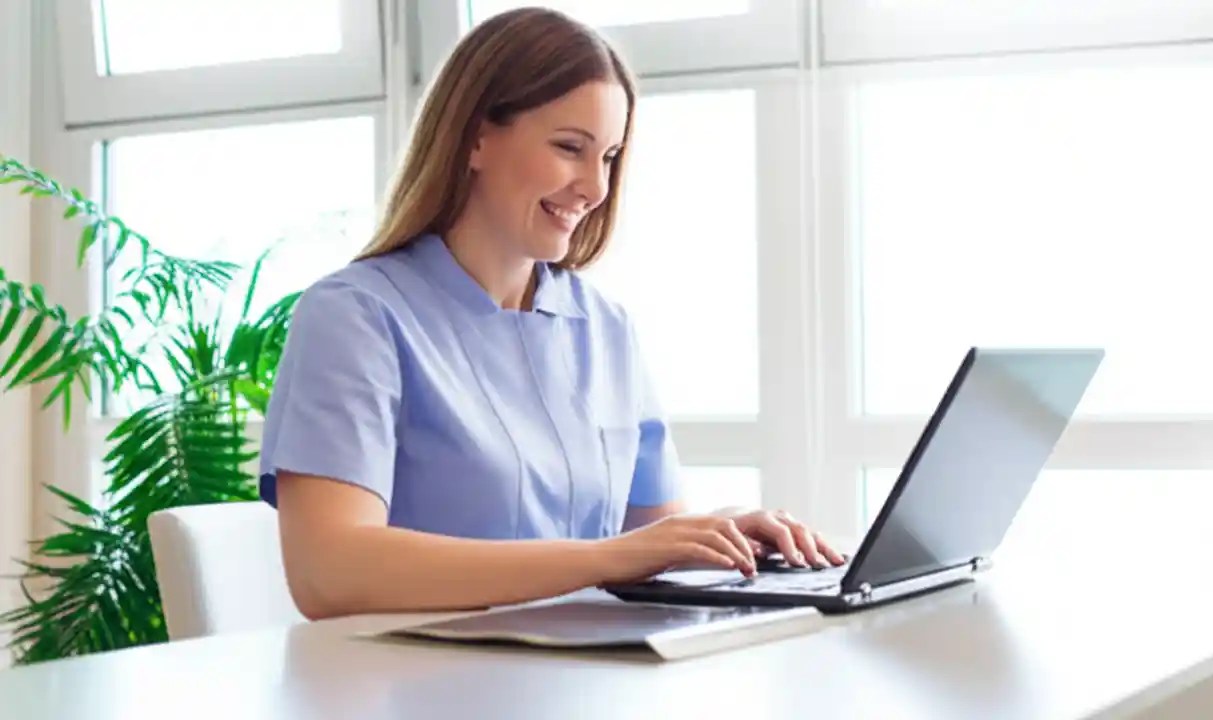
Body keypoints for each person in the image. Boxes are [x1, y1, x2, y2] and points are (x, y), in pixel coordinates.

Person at [258, 7, 845, 620]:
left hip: (589, 679)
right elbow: (330, 572)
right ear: (476, 137)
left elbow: (650, 537)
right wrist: (604, 558)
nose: (595, 187)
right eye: (571, 148)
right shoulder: (356, 317)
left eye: (610, 157)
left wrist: (719, 533)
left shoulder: (606, 328)